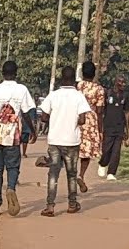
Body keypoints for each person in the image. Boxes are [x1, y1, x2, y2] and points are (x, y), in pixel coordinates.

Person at [0, 60, 36, 216]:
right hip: (13, 136)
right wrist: (32, 131)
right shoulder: (22, 89)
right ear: (16, 73)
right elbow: (25, 113)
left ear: (2, 74)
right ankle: (11, 187)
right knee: (13, 167)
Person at [38, 66, 92, 216]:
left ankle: (50, 206)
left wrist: (55, 119)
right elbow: (82, 120)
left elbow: (43, 117)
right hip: (72, 141)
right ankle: (72, 204)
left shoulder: (53, 95)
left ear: (62, 78)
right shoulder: (79, 96)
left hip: (55, 139)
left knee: (53, 173)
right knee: (72, 174)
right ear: (73, 79)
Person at [76, 61, 106, 192]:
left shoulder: (77, 86)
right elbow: (99, 111)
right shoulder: (99, 89)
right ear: (94, 74)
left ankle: (72, 174)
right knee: (86, 153)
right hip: (90, 120)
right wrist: (100, 130)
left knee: (73, 149)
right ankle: (81, 175)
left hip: (76, 118)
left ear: (82, 73)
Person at [99, 74, 129, 181]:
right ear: (116, 82)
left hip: (119, 127)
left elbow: (127, 113)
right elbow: (101, 110)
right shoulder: (108, 94)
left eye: (124, 82)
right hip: (108, 126)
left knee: (116, 151)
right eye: (121, 82)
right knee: (106, 149)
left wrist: (127, 130)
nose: (123, 84)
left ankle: (111, 172)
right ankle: (103, 163)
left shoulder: (125, 96)